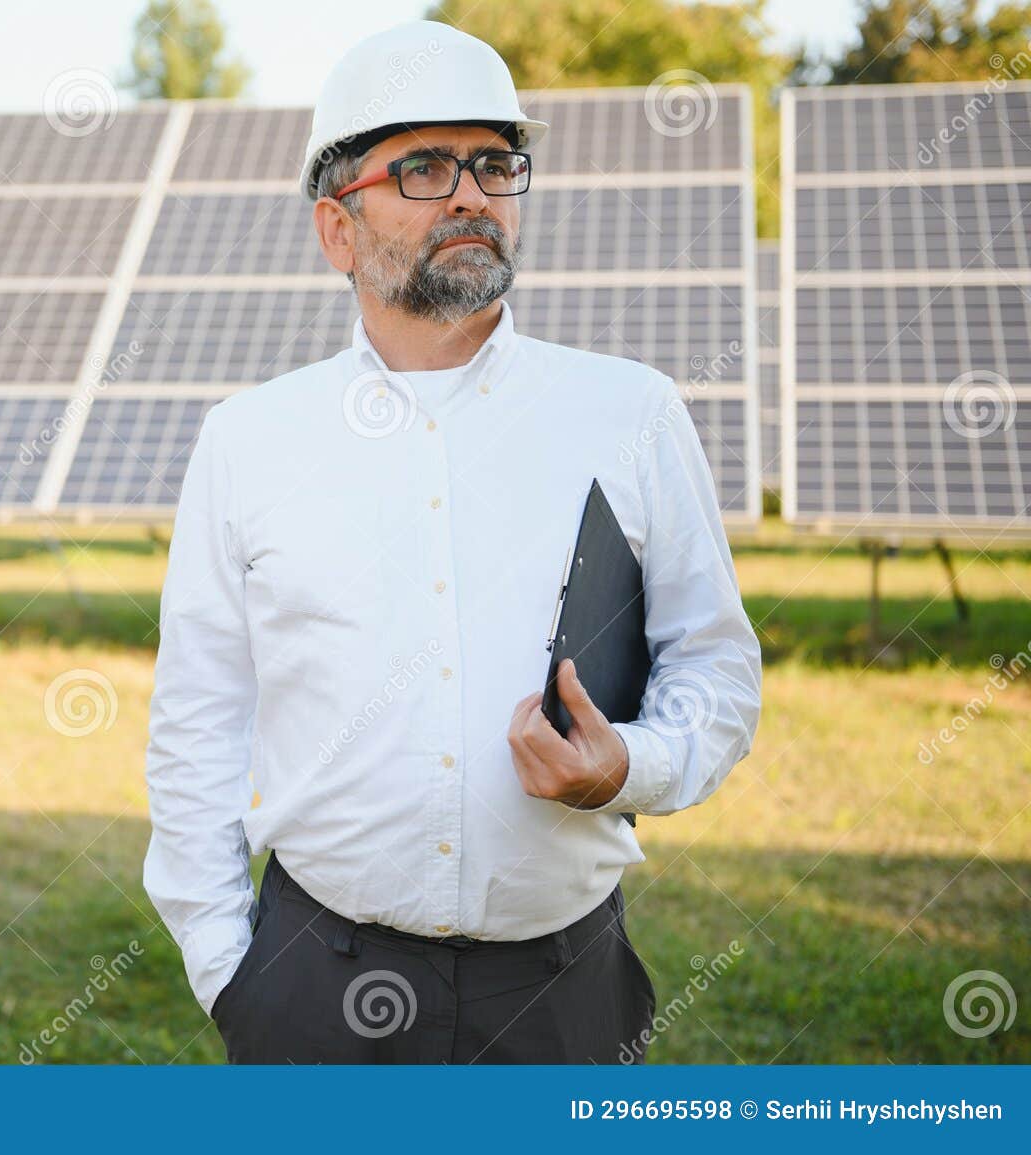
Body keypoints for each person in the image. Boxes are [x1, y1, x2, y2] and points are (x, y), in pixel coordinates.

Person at [142, 19, 763, 1063]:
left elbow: (716, 667)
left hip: (565, 995)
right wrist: (228, 971)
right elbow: (199, 719)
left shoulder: (632, 414)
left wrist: (630, 767)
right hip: (310, 989)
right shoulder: (249, 439)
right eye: (423, 167)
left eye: (492, 163)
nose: (471, 192)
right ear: (336, 229)